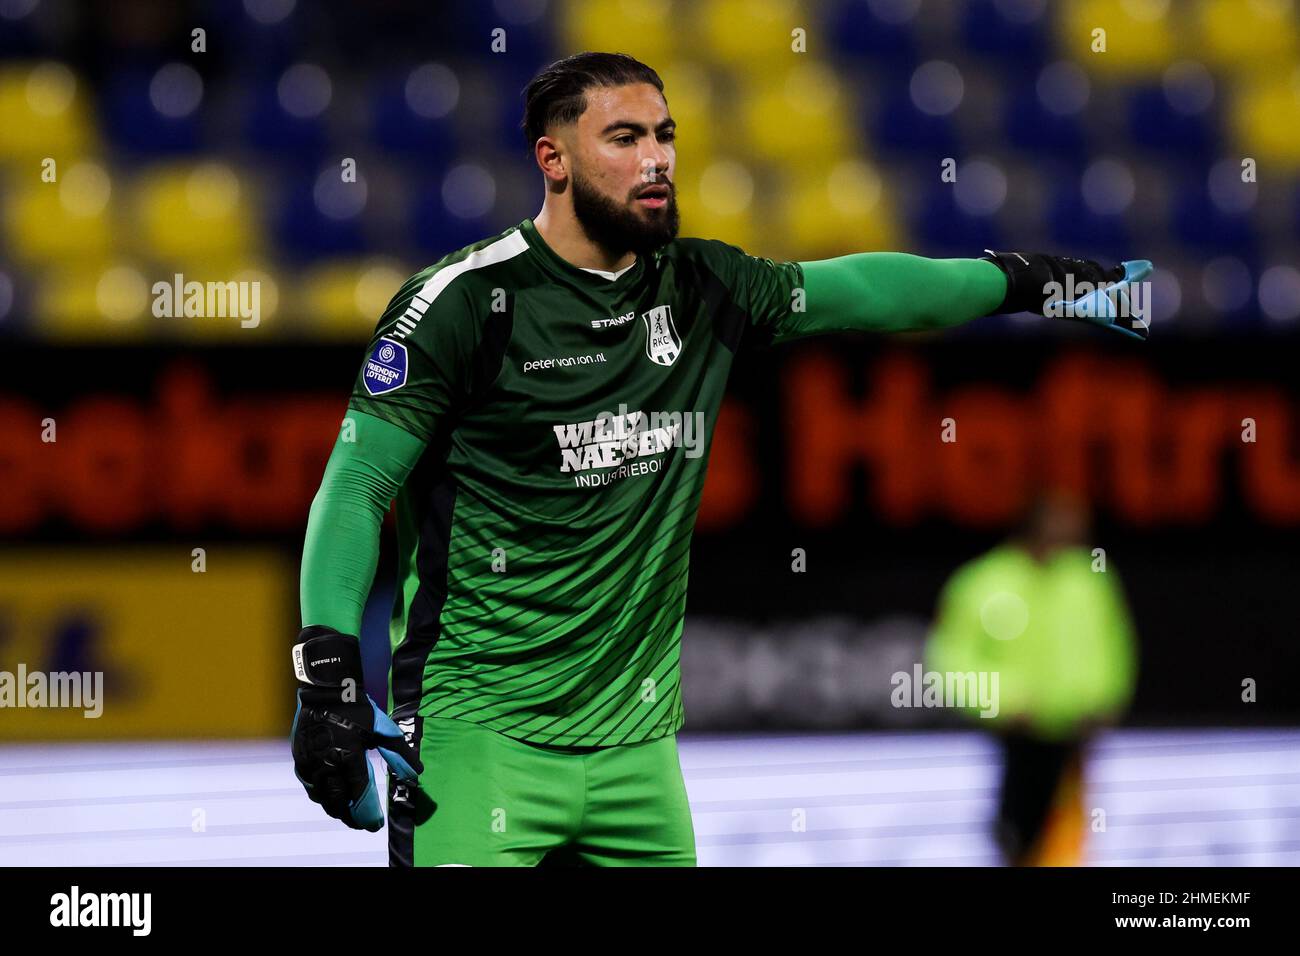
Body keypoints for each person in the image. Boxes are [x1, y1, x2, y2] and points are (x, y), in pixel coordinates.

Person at [290, 50, 1150, 867]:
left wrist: (1039, 281)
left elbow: (868, 291)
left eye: (665, 136)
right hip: (478, 735)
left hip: (639, 755)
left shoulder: (705, 289)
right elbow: (358, 486)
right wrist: (327, 672)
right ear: (553, 159)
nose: (656, 158)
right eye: (624, 139)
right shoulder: (461, 305)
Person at [925, 491, 1139, 865]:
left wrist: (1104, 699)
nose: (1073, 530)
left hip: (1076, 736)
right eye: (1062, 519)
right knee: (1013, 838)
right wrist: (1003, 703)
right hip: (1011, 740)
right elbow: (952, 660)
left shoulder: (1089, 580)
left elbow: (1114, 645)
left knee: (1068, 838)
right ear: (1033, 523)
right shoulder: (983, 581)